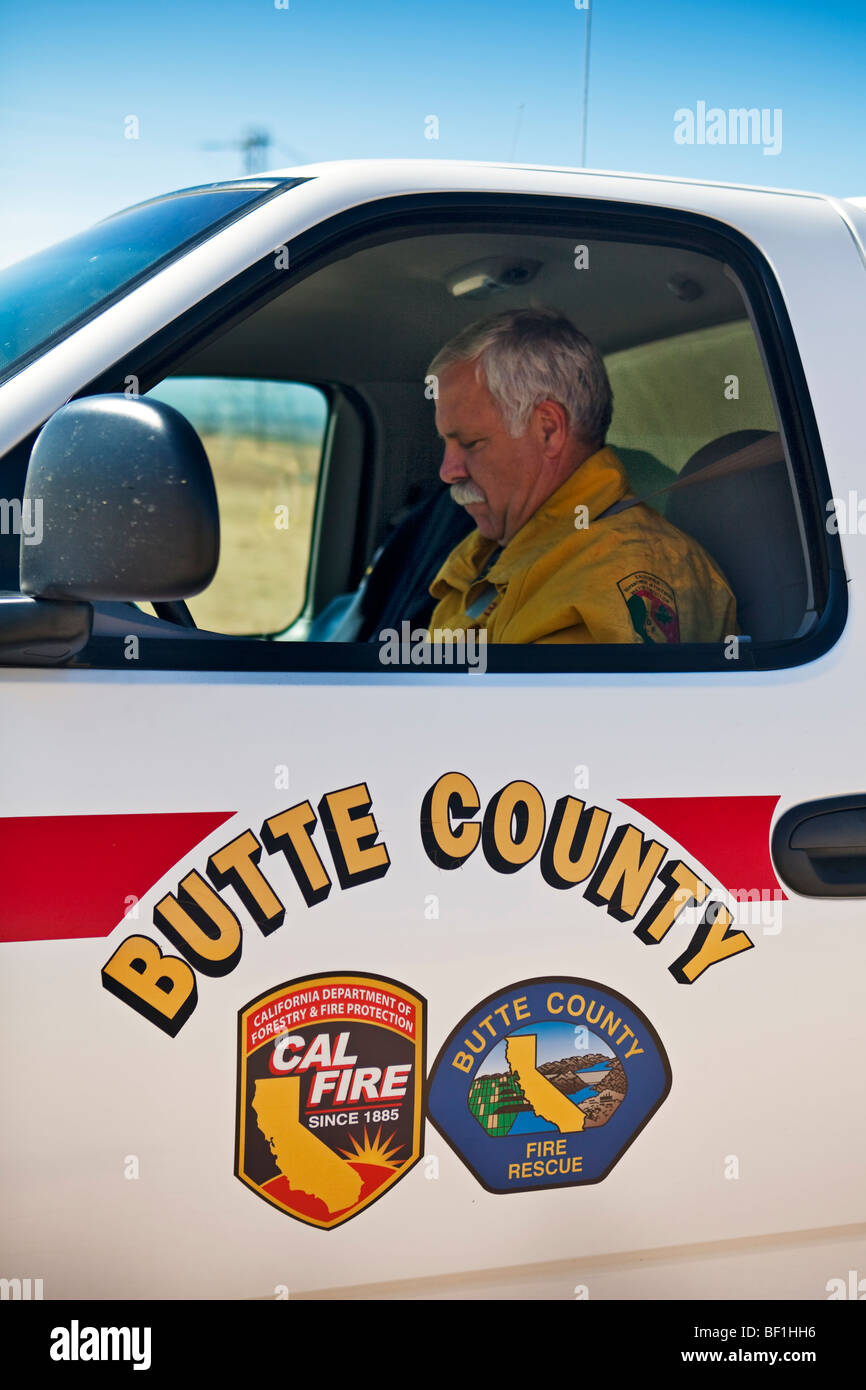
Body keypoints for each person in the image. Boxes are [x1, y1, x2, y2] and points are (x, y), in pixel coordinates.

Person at [426, 307, 737, 645]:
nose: (448, 472)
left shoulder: (621, 574)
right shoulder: (491, 554)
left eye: (470, 442)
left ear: (548, 430)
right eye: (446, 442)